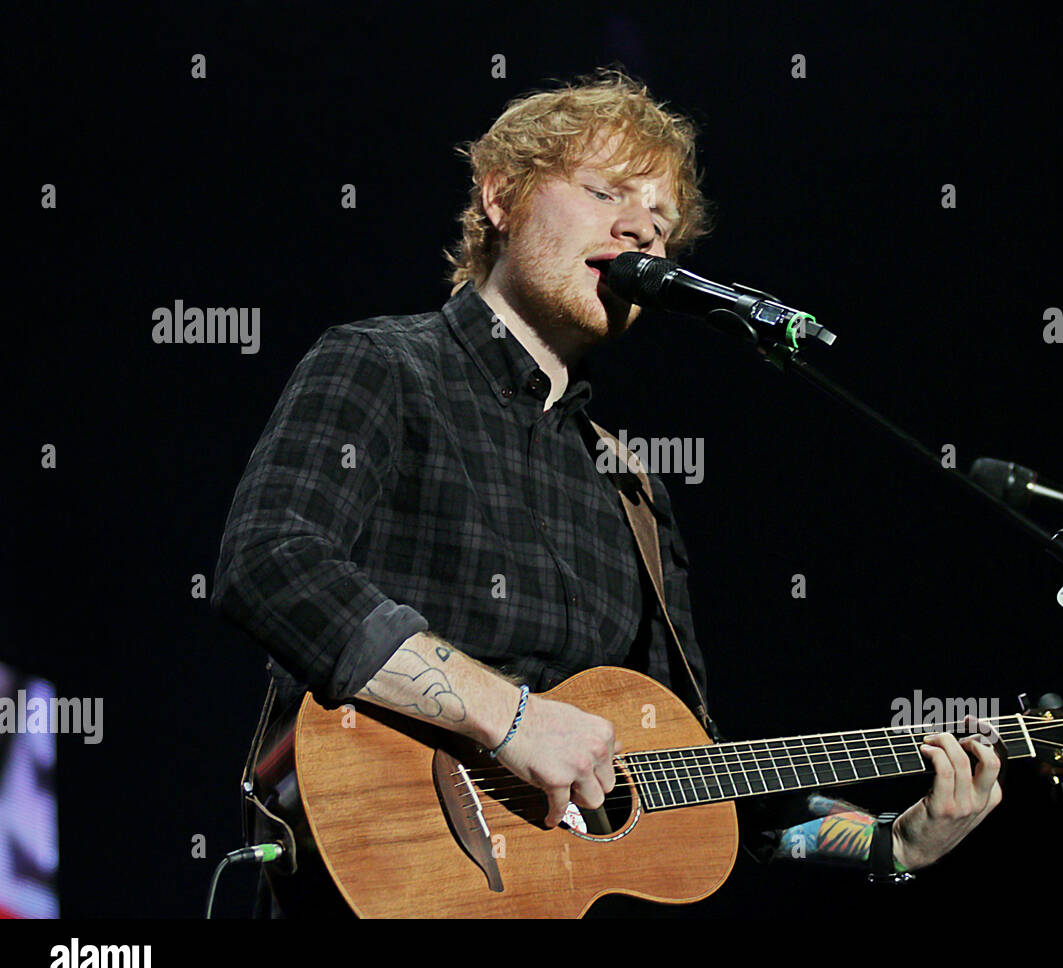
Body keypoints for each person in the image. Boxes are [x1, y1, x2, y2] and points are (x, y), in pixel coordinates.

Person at [212, 68, 1001, 916]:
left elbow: (690, 789)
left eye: (660, 228)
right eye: (606, 193)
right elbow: (269, 562)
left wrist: (888, 844)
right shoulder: (382, 365)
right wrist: (510, 719)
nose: (640, 233)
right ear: (502, 197)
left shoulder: (630, 485)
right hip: (380, 870)